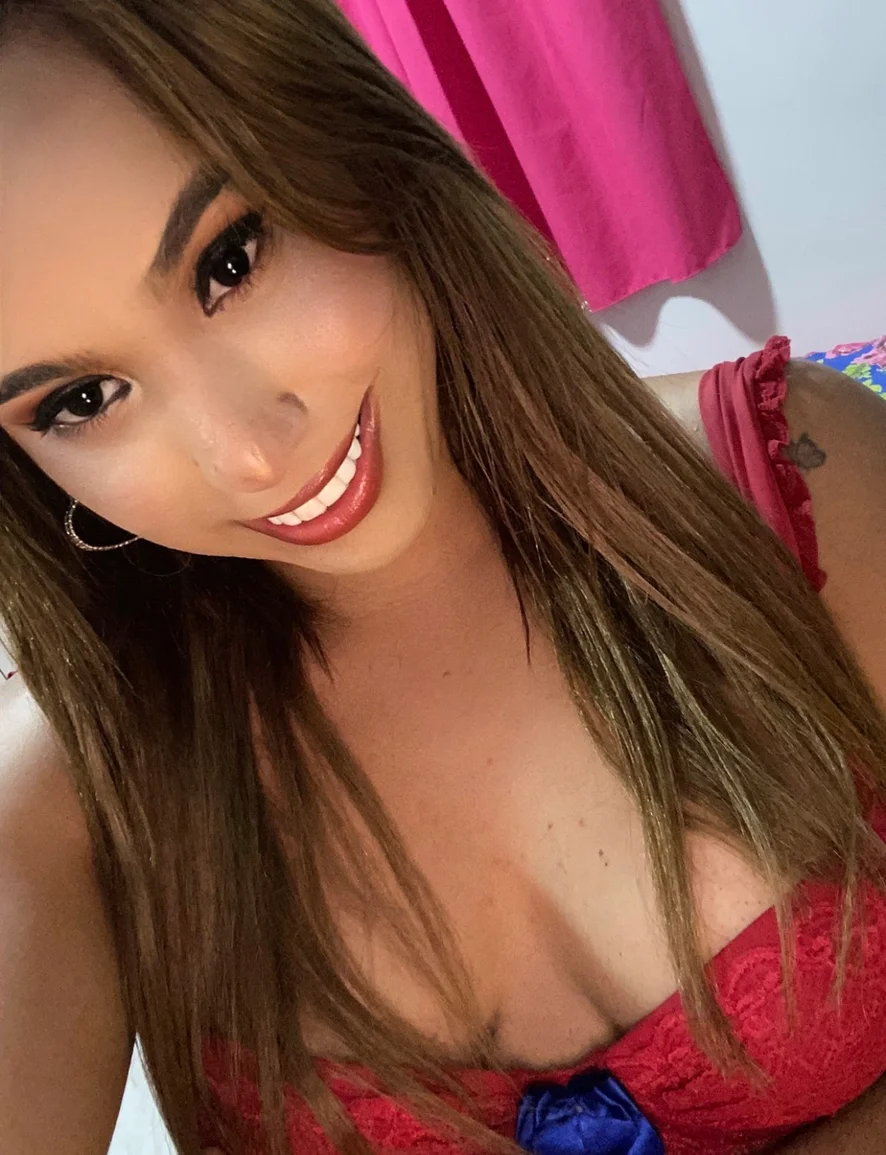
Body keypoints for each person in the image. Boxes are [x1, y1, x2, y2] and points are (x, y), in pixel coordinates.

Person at [0, 2, 884, 1153]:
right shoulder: (69, 805)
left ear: (351, 148)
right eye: (81, 400)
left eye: (231, 261)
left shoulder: (803, 473)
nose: (251, 454)